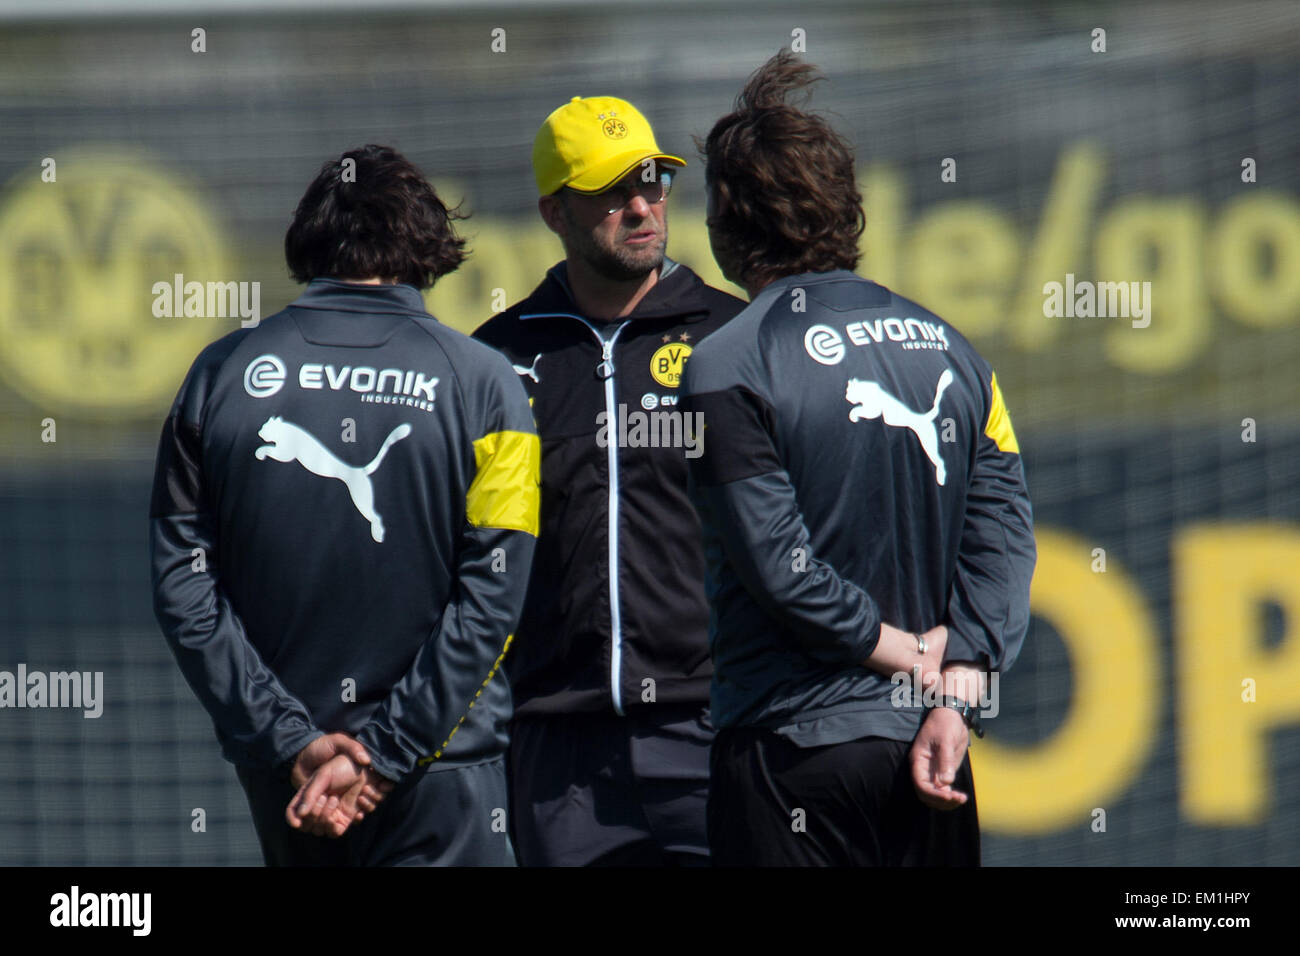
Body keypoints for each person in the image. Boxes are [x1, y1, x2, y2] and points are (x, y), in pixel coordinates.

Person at [681, 52, 1036, 866]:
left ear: (729, 222)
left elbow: (779, 570)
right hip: (935, 746)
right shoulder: (954, 351)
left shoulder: (727, 364)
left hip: (793, 757)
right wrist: (956, 690)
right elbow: (1007, 539)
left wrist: (905, 654)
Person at [149, 144, 539, 866]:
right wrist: (384, 757)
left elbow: (183, 587)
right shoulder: (490, 385)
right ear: (426, 240)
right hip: (441, 773)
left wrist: (290, 742)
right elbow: (496, 597)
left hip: (290, 780)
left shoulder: (218, 376)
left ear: (312, 237)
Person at [473, 96, 745, 866]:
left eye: (653, 181)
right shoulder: (491, 361)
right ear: (553, 211)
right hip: (560, 751)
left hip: (715, 730)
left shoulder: (736, 338)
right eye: (610, 191)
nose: (641, 206)